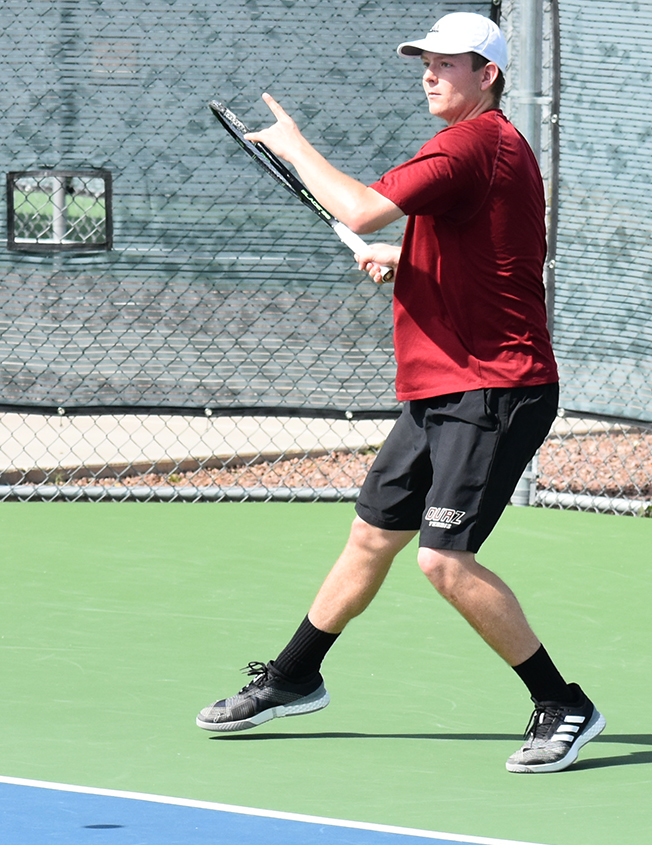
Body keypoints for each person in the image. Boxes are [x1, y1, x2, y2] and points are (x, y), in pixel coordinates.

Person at [195, 12, 603, 775]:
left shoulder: (472, 144)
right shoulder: (486, 149)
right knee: (372, 537)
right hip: (442, 383)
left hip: (493, 388)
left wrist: (293, 146)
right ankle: (293, 677)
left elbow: (356, 207)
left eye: (448, 64)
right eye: (425, 62)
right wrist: (405, 256)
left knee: (443, 560)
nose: (429, 74)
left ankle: (563, 703)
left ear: (489, 76)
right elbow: (480, 246)